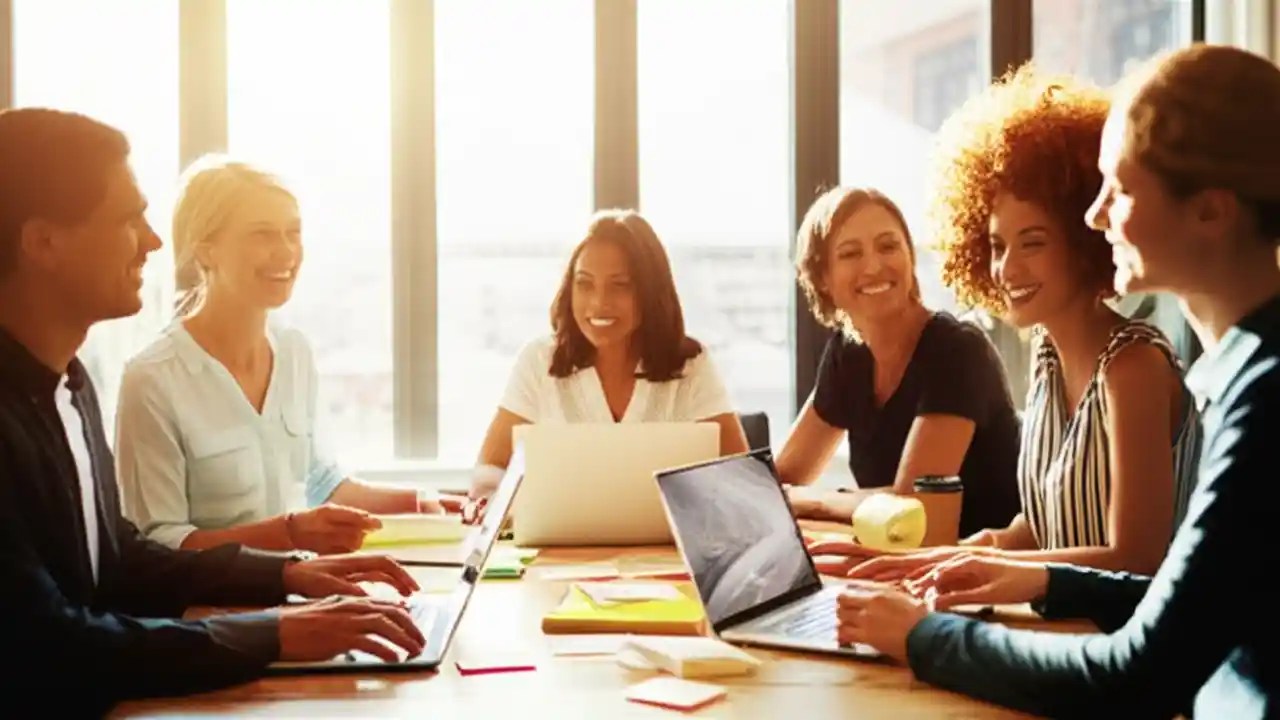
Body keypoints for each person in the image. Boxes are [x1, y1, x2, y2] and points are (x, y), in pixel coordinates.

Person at [833, 44, 1280, 718]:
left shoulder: (1265, 399)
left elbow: (1140, 671)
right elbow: (1189, 606)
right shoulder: (1244, 377)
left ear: (1211, 212)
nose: (1095, 216)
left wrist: (925, 637)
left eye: (1120, 190)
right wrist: (1027, 574)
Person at [0, 108, 425, 716]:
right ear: (43, 242)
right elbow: (52, 644)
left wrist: (283, 575)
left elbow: (121, 560)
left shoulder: (71, 383)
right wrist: (273, 633)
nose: (153, 242)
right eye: (128, 220)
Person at [813, 65, 1200, 579]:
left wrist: (979, 564)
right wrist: (944, 557)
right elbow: (1043, 526)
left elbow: (1135, 560)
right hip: (1053, 617)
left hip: (1120, 628)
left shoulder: (1133, 368)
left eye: (1032, 243)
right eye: (997, 246)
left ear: (1084, 241)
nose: (1007, 268)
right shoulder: (1047, 361)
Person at [115, 155, 459, 555]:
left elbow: (322, 484)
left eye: (293, 233)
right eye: (262, 235)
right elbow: (158, 543)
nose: (286, 252)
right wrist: (289, 534)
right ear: (206, 251)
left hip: (298, 583)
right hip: (215, 596)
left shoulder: (295, 352)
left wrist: (422, 503)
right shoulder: (152, 380)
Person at [777, 187, 1021, 538]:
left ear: (910, 257)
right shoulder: (849, 354)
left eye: (888, 246)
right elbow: (781, 482)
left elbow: (913, 506)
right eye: (850, 253)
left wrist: (816, 501)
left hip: (972, 560)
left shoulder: (957, 350)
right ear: (823, 279)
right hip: (896, 553)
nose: (874, 266)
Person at [469, 209, 749, 497]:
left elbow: (742, 480)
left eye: (620, 285)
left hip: (661, 530)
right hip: (562, 529)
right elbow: (489, 472)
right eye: (584, 284)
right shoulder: (539, 361)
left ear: (650, 292)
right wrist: (500, 505)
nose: (599, 302)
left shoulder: (691, 365)